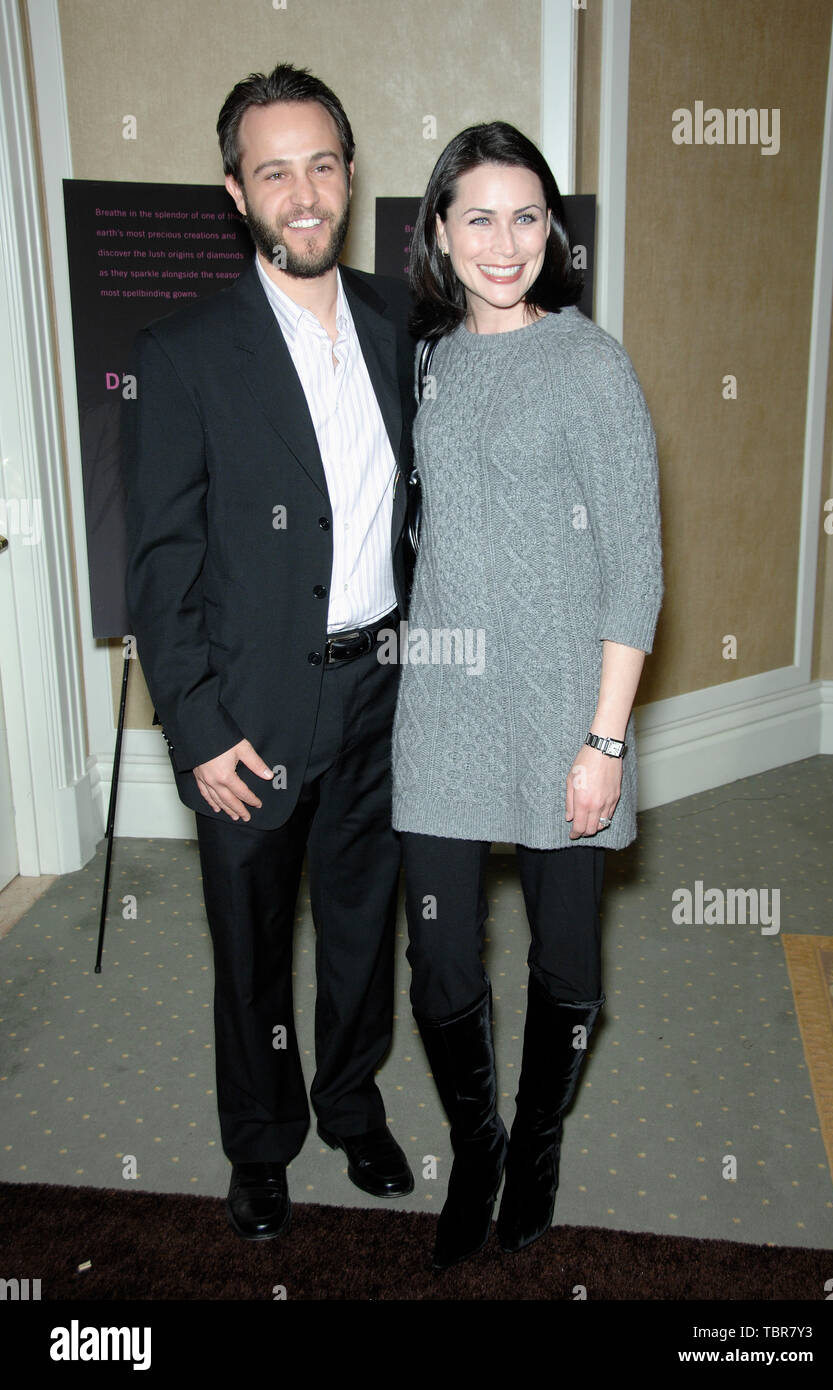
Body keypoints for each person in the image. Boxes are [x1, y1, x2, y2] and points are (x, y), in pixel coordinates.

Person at [125, 63, 417, 1241]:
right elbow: (159, 564)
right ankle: (260, 1142)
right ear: (235, 189)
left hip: (384, 695)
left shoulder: (402, 326)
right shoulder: (185, 351)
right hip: (246, 712)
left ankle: (351, 1105)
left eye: (322, 165)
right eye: (274, 171)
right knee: (249, 951)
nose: (303, 194)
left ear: (349, 176)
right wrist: (195, 727)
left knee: (362, 926)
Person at [390, 121, 663, 1270]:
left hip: (564, 710)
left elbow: (634, 572)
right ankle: (479, 1140)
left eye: (526, 216)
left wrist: (602, 740)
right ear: (440, 233)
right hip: (441, 709)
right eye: (478, 217)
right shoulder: (430, 358)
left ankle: (538, 1145)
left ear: (551, 229)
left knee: (566, 959)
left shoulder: (590, 362)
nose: (504, 243)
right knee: (441, 959)